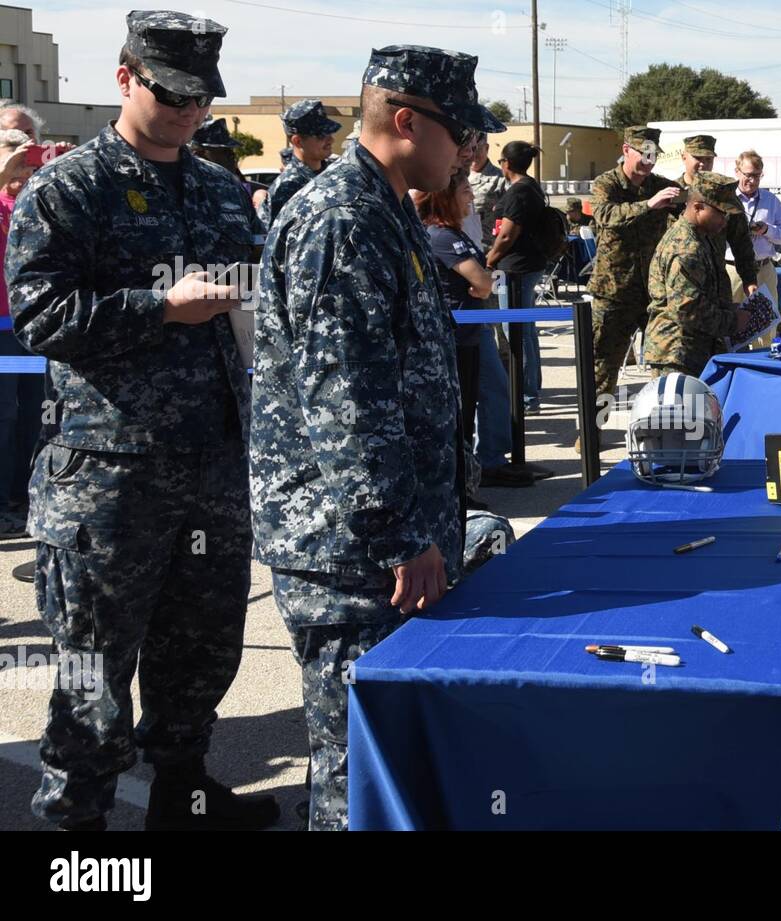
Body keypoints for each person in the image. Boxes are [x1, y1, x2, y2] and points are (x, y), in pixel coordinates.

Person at [5, 10, 277, 832]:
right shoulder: (68, 188)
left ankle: (184, 798)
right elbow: (40, 312)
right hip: (108, 473)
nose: (191, 110)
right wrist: (160, 306)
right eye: (173, 93)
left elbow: (255, 300)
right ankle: (77, 828)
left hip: (213, 463)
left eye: (203, 97)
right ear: (125, 76)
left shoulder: (222, 190)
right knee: (92, 668)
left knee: (199, 653)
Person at [251, 44, 505, 831]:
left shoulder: (384, 206)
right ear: (405, 122)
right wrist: (399, 536)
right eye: (459, 132)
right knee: (356, 768)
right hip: (351, 552)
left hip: (382, 543)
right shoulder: (343, 216)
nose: (468, 150)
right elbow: (347, 400)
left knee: (388, 751)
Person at [418, 174, 531, 490]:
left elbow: (486, 279)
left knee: (486, 395)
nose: (471, 198)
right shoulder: (442, 236)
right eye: (465, 191)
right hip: (458, 335)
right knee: (464, 410)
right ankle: (470, 479)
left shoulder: (455, 234)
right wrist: (483, 282)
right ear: (445, 196)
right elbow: (483, 282)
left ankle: (481, 468)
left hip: (471, 330)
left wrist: (484, 282)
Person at [587, 126, 682, 418]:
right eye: (644, 154)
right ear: (627, 150)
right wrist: (649, 205)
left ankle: (664, 427)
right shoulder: (606, 183)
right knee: (603, 365)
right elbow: (605, 216)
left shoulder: (661, 185)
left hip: (653, 291)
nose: (649, 162)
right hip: (614, 291)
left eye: (654, 156)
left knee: (666, 361)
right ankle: (593, 429)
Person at [644, 172, 752, 378]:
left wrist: (729, 309)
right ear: (698, 207)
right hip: (679, 356)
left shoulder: (701, 237)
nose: (725, 221)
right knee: (682, 411)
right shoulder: (686, 248)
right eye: (721, 213)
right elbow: (687, 309)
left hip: (695, 350)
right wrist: (733, 321)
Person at [485, 139, 547, 415]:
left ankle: (525, 395)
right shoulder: (531, 186)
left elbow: (507, 234)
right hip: (524, 267)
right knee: (526, 331)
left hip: (514, 270)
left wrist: (490, 259)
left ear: (506, 164)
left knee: (517, 333)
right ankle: (531, 390)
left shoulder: (519, 192)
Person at [0, 127, 38, 540]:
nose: (21, 156)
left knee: (33, 414)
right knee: (3, 417)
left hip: (25, 328)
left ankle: (19, 497)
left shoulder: (27, 201)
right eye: (11, 146)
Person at [673, 134, 757, 299]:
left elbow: (741, 243)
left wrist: (749, 279)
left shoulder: (723, 194)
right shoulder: (670, 193)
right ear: (684, 157)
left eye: (709, 159)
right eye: (697, 158)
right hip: (678, 286)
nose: (703, 164)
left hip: (715, 285)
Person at [257, 98, 341, 227]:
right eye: (321, 135)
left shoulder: (335, 174)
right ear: (298, 141)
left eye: (329, 133)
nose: (331, 140)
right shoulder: (287, 187)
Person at [728, 150, 781, 308]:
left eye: (757, 175)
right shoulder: (727, 199)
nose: (753, 180)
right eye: (748, 175)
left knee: (767, 326)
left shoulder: (771, 200)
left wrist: (767, 230)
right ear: (737, 172)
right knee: (730, 322)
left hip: (763, 269)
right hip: (733, 271)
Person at [468, 133, 508, 250]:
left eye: (477, 149)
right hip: (462, 243)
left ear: (486, 148)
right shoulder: (457, 175)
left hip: (487, 246)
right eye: (470, 149)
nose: (473, 155)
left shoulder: (500, 178)